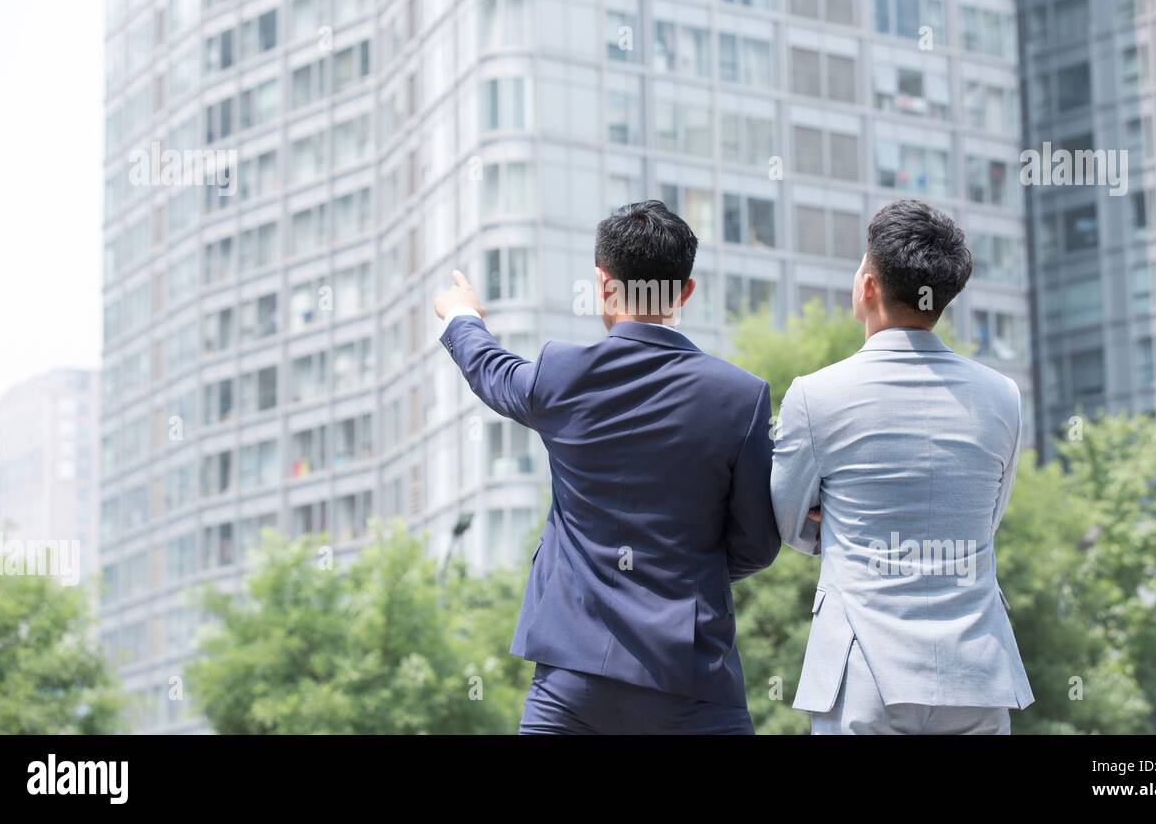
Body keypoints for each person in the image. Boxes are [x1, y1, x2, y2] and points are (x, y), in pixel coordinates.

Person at [434, 200, 780, 734]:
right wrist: (688, 568)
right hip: (694, 682)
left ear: (603, 283)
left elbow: (492, 372)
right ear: (685, 292)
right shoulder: (741, 397)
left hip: (572, 689)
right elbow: (757, 543)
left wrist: (464, 316)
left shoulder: (562, 375)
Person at [772, 198, 1033, 734]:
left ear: (868, 285)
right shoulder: (1001, 396)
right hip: (975, 672)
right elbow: (985, 520)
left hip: (863, 669)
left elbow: (787, 523)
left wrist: (841, 526)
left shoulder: (815, 397)